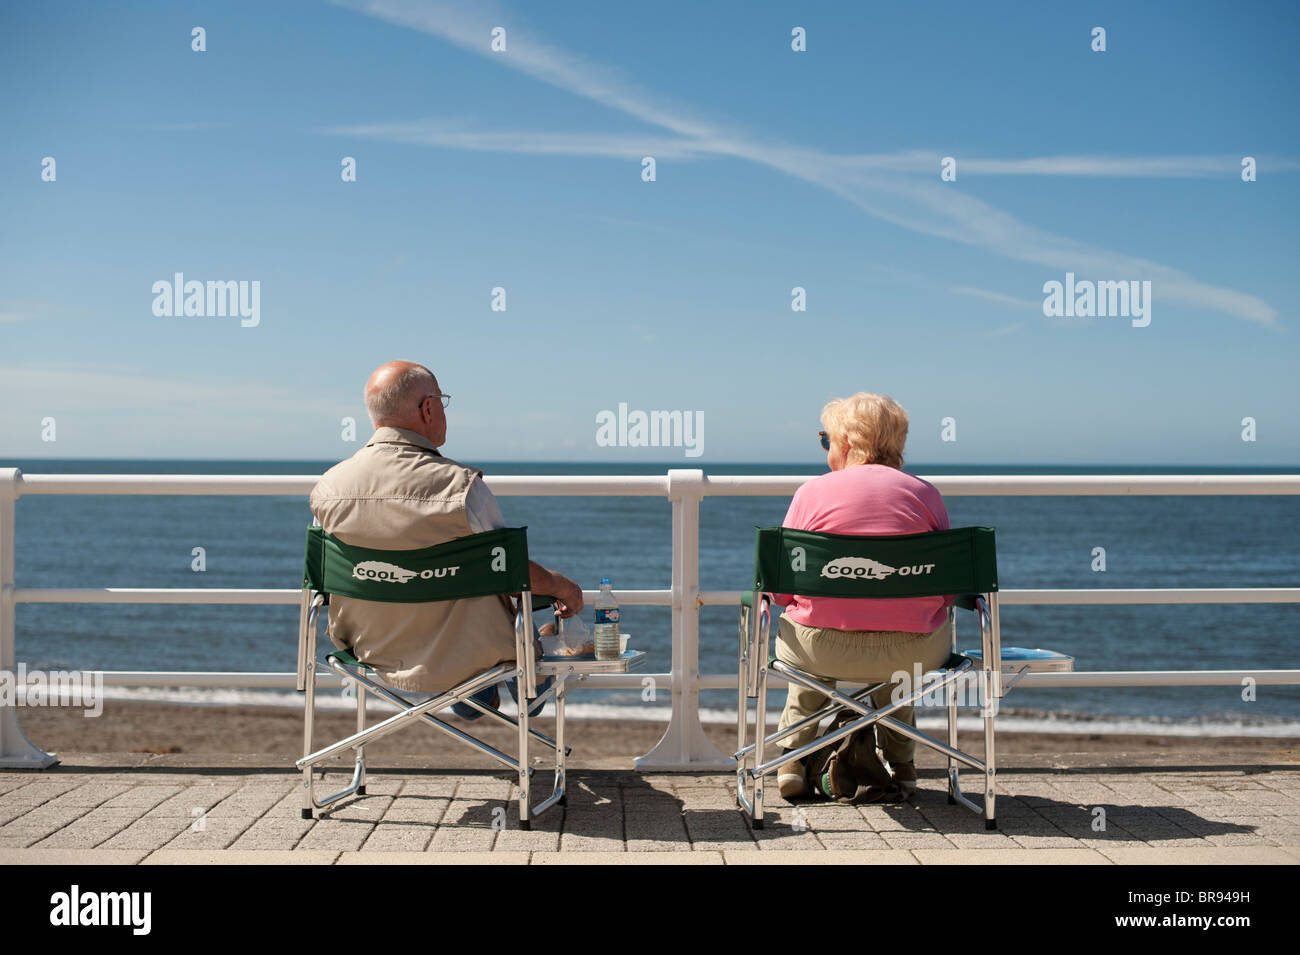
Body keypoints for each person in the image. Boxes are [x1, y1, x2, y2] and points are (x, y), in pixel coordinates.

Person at [309, 361, 583, 716]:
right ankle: (509, 689)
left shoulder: (329, 488)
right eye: (442, 400)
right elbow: (511, 574)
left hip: (367, 651)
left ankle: (474, 695)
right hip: (460, 653)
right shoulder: (462, 489)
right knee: (515, 605)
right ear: (427, 408)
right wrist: (562, 586)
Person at [770, 393, 953, 801]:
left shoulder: (811, 494)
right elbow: (946, 590)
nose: (826, 449)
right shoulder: (926, 496)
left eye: (826, 439)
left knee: (808, 633)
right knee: (904, 648)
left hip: (821, 651)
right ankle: (902, 765)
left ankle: (792, 761)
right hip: (911, 653)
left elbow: (779, 591)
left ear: (847, 442)